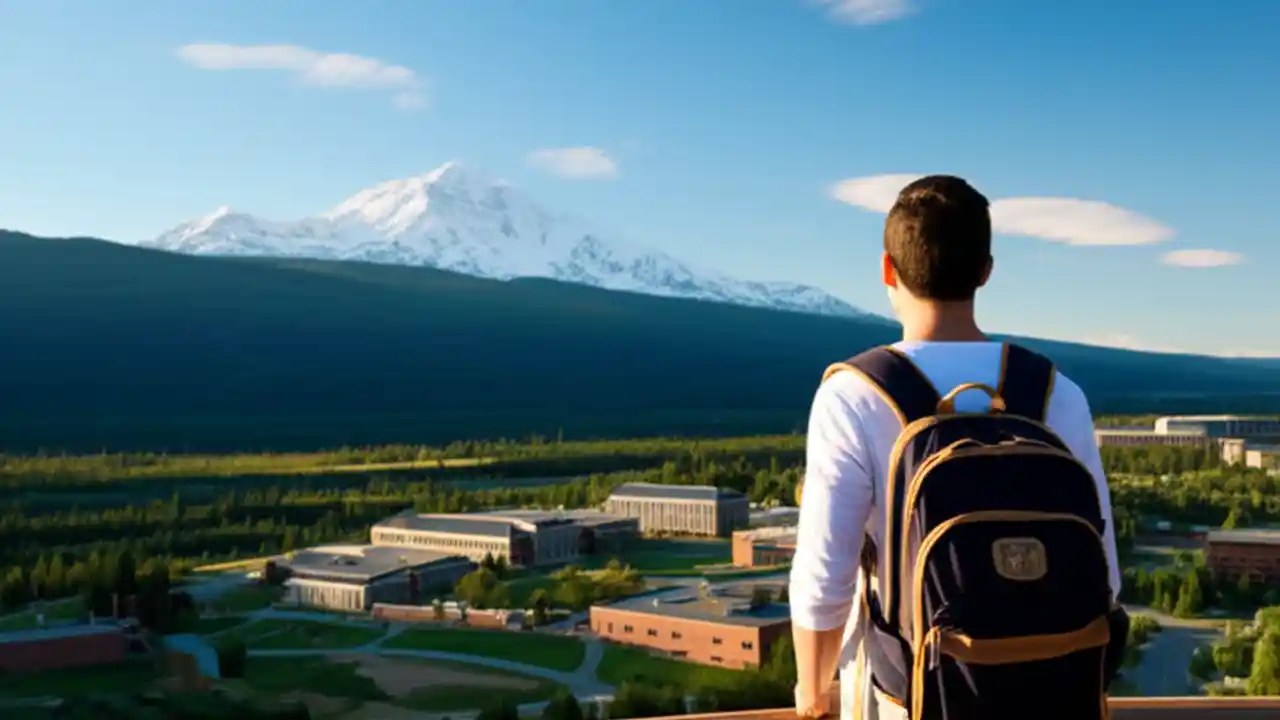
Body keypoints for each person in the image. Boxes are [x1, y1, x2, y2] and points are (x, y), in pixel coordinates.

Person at [788, 175, 1122, 719]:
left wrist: (811, 692)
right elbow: (1104, 570)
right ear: (986, 272)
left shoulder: (855, 394)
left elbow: (826, 576)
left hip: (916, 694)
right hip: (1053, 691)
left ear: (887, 270)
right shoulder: (1055, 393)